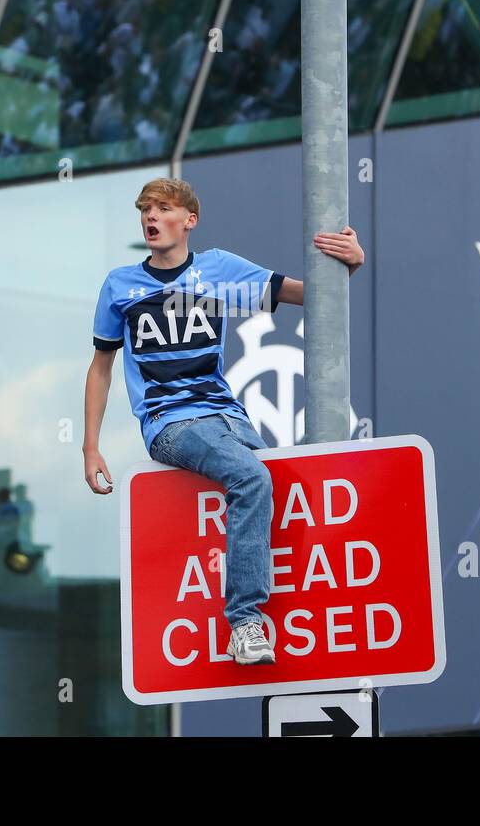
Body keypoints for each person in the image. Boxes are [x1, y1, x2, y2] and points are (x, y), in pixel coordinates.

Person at [81, 176, 364, 665]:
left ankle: (302, 623)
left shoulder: (218, 271)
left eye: (163, 208)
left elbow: (312, 297)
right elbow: (101, 368)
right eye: (145, 209)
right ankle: (246, 622)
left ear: (189, 220)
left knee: (288, 496)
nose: (151, 217)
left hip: (228, 417)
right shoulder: (120, 285)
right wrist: (90, 447)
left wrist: (350, 265)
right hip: (169, 422)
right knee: (251, 478)